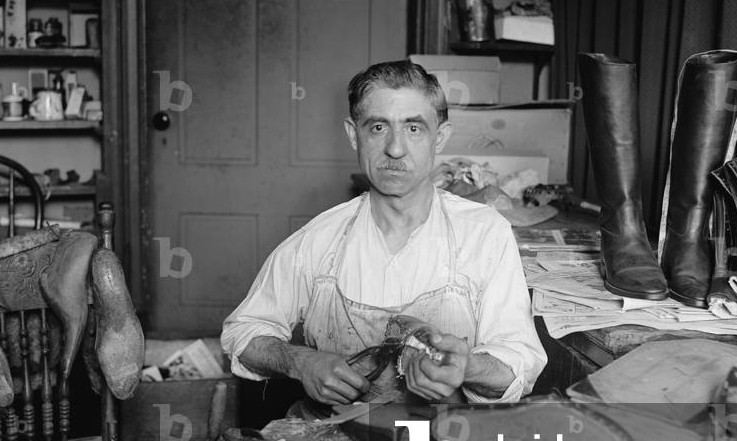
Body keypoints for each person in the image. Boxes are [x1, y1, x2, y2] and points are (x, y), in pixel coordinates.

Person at [221, 60, 546, 409]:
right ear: (353, 134)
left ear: (440, 137)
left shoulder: (485, 234)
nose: (394, 149)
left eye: (413, 128)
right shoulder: (320, 240)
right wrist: (301, 363)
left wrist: (466, 367)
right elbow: (243, 333)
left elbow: (519, 366)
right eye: (377, 127)